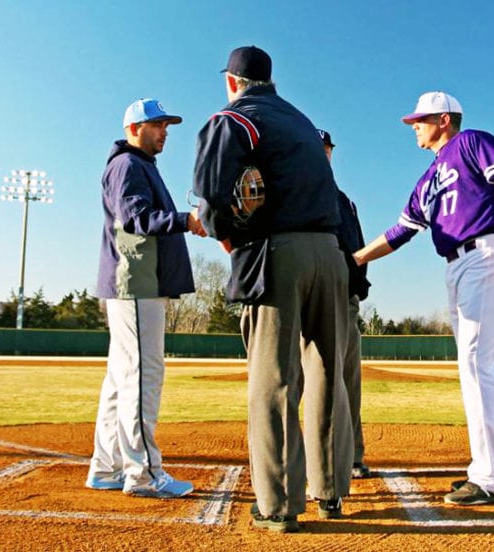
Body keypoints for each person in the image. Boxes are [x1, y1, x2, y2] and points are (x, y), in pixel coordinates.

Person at [193, 46, 353, 532]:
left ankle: (279, 506)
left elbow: (212, 193)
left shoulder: (233, 119)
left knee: (275, 381)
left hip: (278, 253)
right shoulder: (303, 121)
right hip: (331, 252)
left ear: (232, 81)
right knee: (327, 372)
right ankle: (329, 491)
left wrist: (227, 238)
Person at [353, 91, 494, 506]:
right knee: (474, 364)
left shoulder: (471, 141)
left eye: (419, 120)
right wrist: (358, 258)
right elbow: (402, 231)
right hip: (454, 266)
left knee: (478, 361)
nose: (413, 127)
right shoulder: (429, 177)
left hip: (488, 252)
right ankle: (488, 469)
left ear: (442, 120)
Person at [86, 98, 207, 498]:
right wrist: (186, 221)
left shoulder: (138, 166)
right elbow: (135, 219)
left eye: (166, 126)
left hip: (135, 284)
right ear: (133, 128)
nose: (164, 132)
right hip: (137, 282)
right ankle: (143, 474)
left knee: (122, 379)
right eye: (157, 125)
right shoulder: (127, 165)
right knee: (142, 375)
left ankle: (107, 467)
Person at [317, 128, 373, 480]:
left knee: (349, 378)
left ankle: (352, 455)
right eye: (317, 148)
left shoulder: (345, 200)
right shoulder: (297, 192)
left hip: (346, 298)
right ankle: (311, 457)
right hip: (313, 296)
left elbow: (359, 249)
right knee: (313, 378)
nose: (324, 154)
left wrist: (357, 288)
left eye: (327, 149)